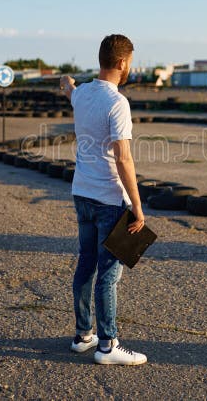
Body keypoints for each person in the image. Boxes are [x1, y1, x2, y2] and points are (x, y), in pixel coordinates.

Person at [59, 34, 147, 366]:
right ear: (123, 63)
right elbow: (123, 159)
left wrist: (66, 84)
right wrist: (137, 207)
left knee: (86, 264)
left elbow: (70, 89)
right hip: (109, 199)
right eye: (131, 62)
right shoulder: (117, 103)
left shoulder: (82, 95)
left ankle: (84, 336)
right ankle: (107, 345)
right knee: (108, 274)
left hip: (81, 193)